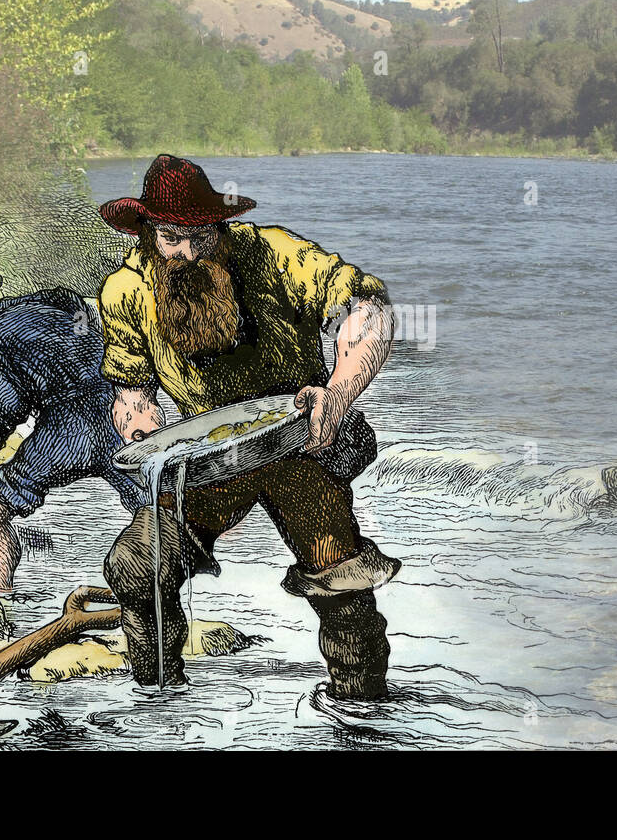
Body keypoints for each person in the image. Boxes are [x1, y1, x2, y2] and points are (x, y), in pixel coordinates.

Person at [97, 154, 401, 700]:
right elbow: (132, 390)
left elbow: (369, 308)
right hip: (209, 459)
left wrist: (338, 391)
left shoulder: (275, 253)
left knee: (341, 583)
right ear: (147, 233)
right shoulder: (125, 290)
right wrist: (140, 428)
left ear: (219, 227)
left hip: (302, 443)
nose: (187, 253)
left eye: (200, 237)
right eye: (170, 239)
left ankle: (362, 711)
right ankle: (159, 706)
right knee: (138, 568)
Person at [0, 274, 147, 595]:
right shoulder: (29, 307)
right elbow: (76, 308)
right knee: (149, 500)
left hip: (68, 427)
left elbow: (6, 408)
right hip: (116, 409)